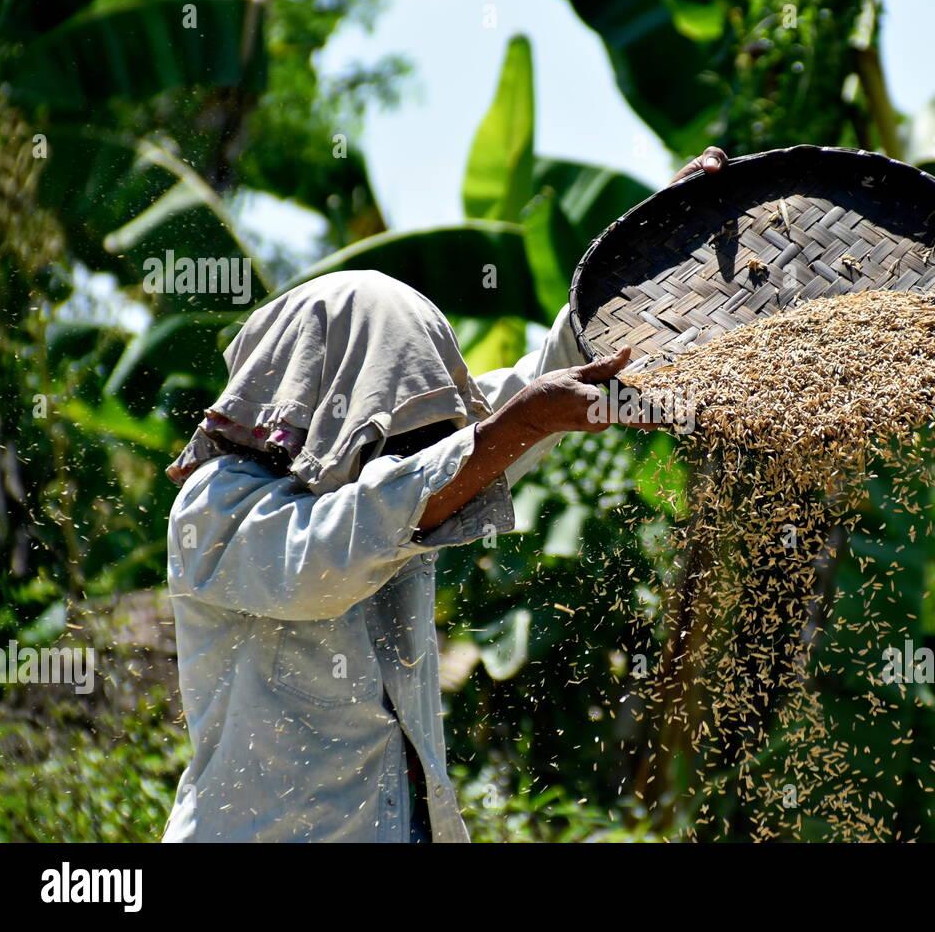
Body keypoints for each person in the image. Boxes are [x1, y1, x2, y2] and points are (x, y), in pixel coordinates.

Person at [160, 147, 728, 843]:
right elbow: (330, 559)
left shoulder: (400, 466)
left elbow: (535, 386)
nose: (413, 450)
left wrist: (649, 256)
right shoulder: (217, 505)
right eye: (394, 429)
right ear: (331, 408)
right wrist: (515, 426)